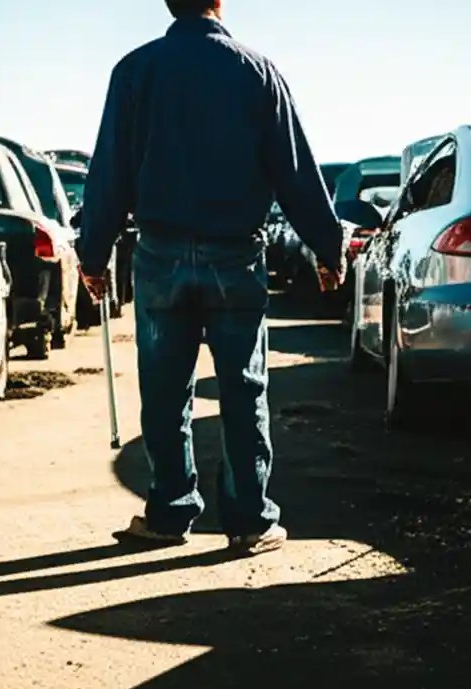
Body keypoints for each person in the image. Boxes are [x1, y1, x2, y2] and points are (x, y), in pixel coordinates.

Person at [78, 0, 345, 555]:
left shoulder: (135, 70)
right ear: (220, 2)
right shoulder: (256, 72)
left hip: (160, 255)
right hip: (235, 256)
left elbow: (110, 170)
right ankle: (250, 519)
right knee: (242, 389)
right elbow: (294, 168)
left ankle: (170, 511)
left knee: (164, 388)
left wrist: (94, 253)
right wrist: (327, 246)